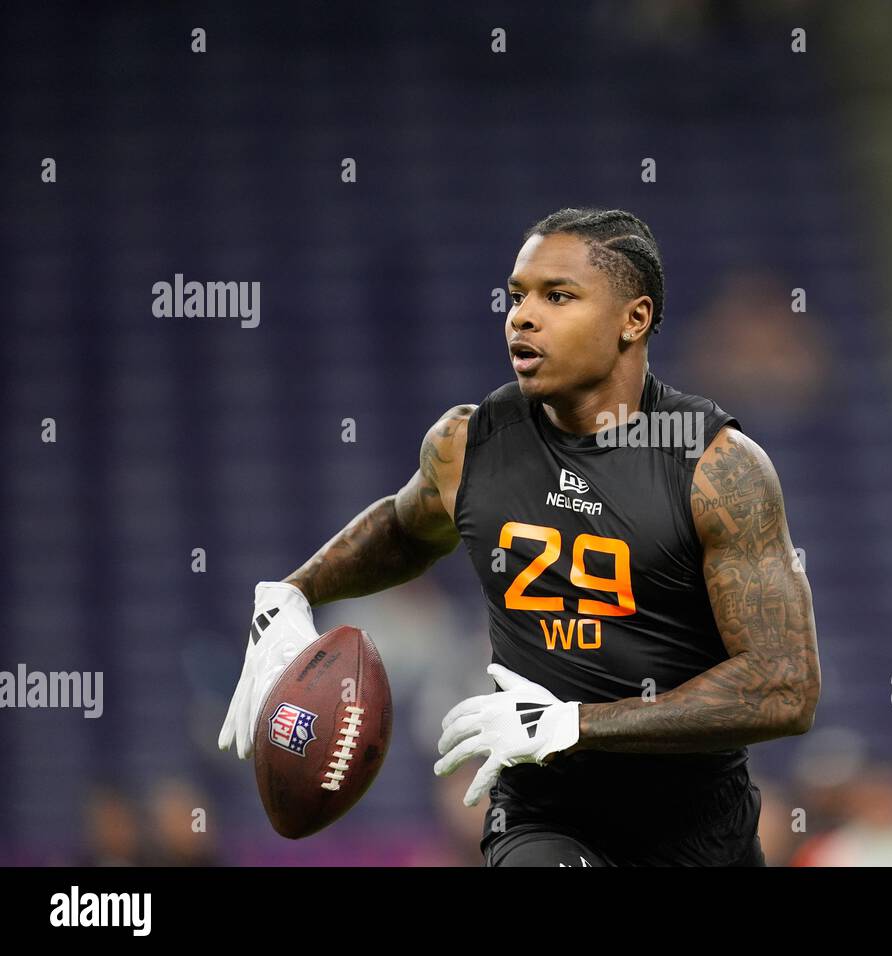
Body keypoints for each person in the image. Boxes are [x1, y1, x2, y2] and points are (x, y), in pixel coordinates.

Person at [217, 207, 821, 866]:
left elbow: (783, 688)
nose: (522, 316)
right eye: (517, 296)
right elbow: (403, 528)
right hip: (541, 814)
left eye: (557, 296)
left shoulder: (717, 467)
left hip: (700, 831)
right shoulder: (468, 444)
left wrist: (574, 724)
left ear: (634, 319)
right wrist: (293, 592)